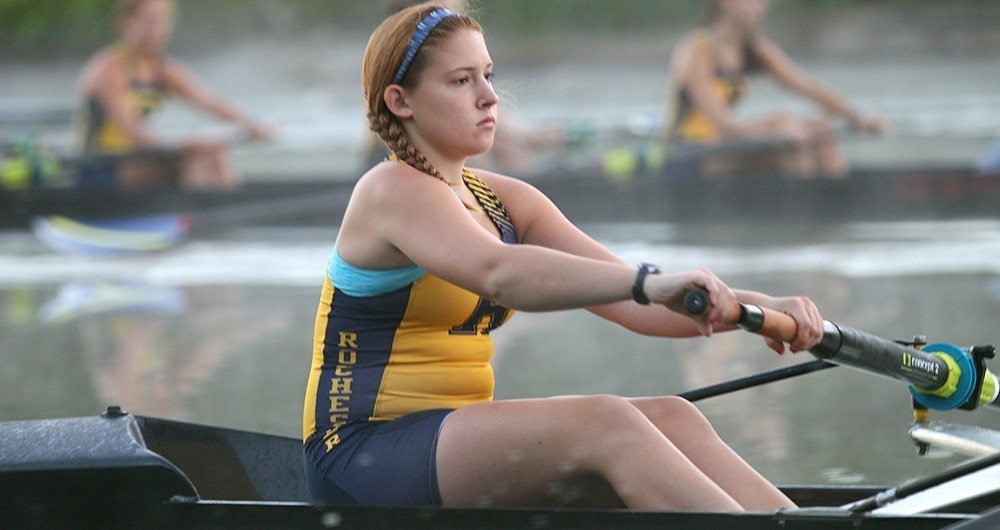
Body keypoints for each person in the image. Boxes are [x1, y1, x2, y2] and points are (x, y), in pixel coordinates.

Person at [302, 3, 825, 512]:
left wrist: (760, 307)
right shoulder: (391, 189)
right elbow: (502, 275)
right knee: (607, 422)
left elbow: (640, 306)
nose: (489, 97)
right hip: (359, 456)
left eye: (488, 75)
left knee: (675, 417)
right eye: (461, 81)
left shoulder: (507, 201)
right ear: (401, 101)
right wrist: (646, 282)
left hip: (446, 442)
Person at [666, 0, 886, 179]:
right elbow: (725, 126)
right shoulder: (697, 50)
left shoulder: (753, 48)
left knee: (819, 130)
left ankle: (836, 207)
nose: (761, 6)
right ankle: (803, 212)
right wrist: (779, 130)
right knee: (787, 133)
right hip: (689, 155)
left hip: (724, 150)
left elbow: (808, 86)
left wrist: (857, 116)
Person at [75, 0, 271, 189]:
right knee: (194, 154)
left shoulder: (162, 69)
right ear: (124, 22)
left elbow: (210, 101)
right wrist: (188, 143)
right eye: (148, 20)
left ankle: (226, 211)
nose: (155, 30)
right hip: (98, 168)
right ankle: (204, 215)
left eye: (161, 20)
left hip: (133, 162)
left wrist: (253, 124)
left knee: (212, 151)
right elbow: (134, 132)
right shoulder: (109, 68)